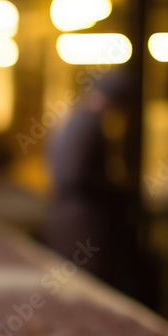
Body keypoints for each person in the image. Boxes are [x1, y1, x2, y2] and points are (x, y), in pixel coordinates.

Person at [43, 72, 133, 287]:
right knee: (87, 286)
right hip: (81, 219)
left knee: (74, 288)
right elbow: (74, 175)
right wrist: (118, 191)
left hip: (65, 214)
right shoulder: (89, 124)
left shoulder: (73, 118)